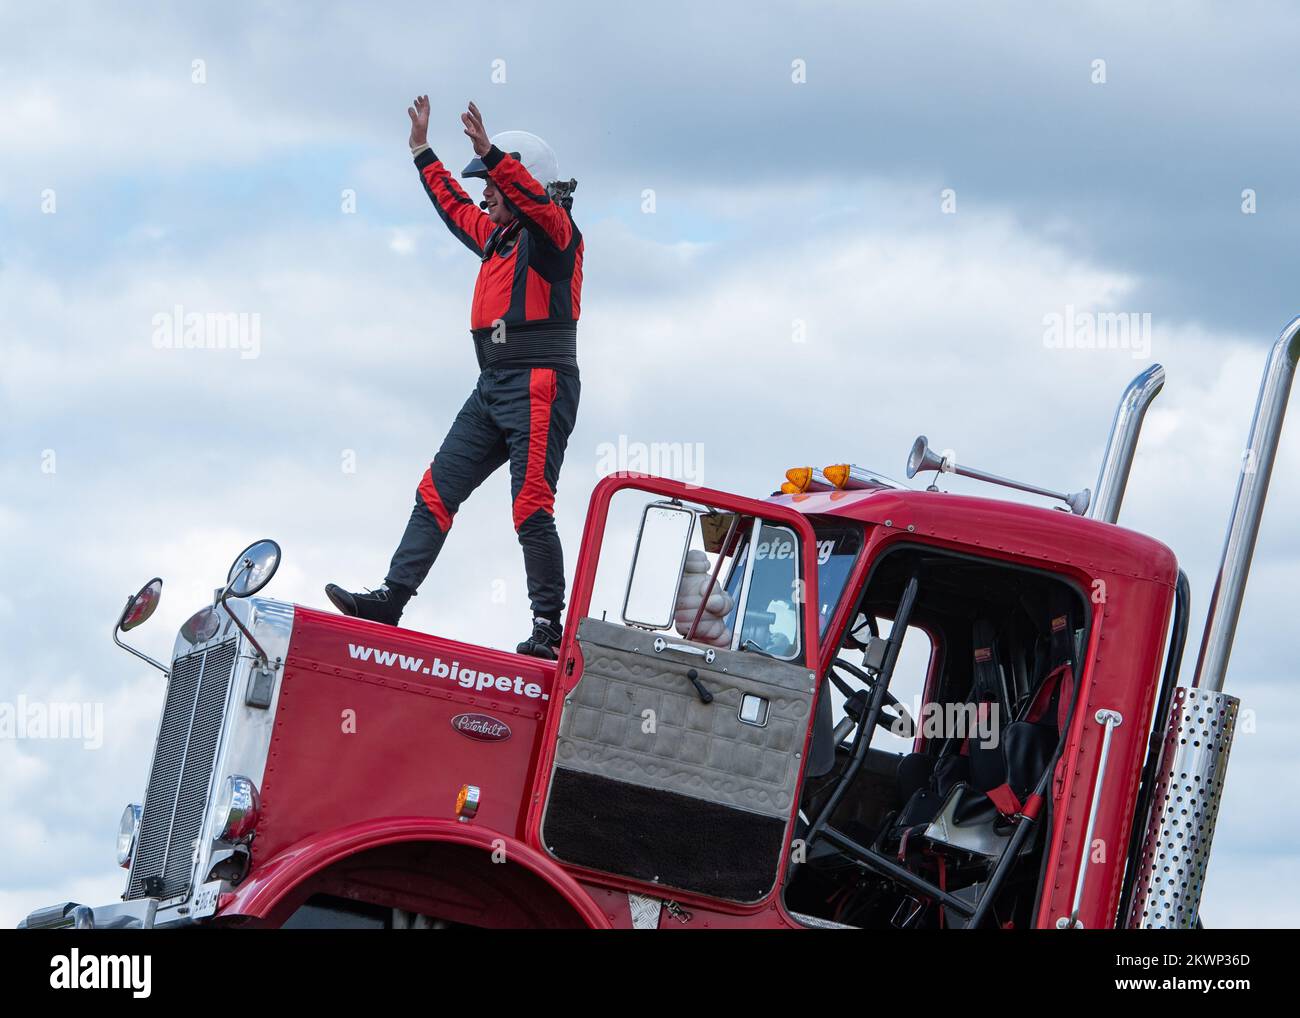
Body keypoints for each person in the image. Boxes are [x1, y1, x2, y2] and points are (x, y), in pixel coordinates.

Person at [326, 97, 583, 660]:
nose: (484, 195)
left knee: (530, 505)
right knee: (435, 490)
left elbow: (538, 207)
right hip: (492, 385)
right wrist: (422, 150)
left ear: (519, 182)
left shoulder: (556, 237)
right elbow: (451, 205)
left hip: (540, 382)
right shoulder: (496, 237)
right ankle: (391, 598)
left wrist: (491, 153)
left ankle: (547, 629)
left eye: (491, 185)